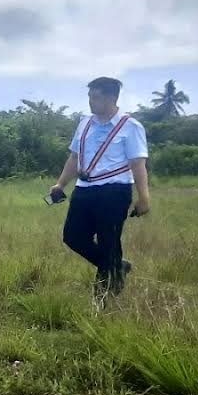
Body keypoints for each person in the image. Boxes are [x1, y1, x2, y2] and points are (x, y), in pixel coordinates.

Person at [48, 77, 151, 299]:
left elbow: (138, 164)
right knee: (73, 237)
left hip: (114, 191)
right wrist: (60, 183)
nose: (91, 102)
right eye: (89, 97)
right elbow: (75, 156)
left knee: (109, 241)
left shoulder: (130, 127)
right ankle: (116, 266)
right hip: (84, 189)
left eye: (96, 98)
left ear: (112, 98)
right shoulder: (85, 123)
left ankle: (103, 297)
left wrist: (143, 198)